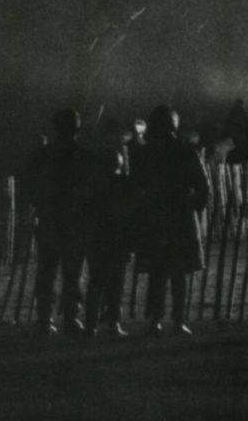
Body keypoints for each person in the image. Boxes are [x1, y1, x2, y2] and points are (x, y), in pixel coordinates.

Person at [134, 105, 211, 335]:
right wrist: (192, 207)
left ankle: (156, 320)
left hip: (158, 216)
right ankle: (177, 320)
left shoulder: (148, 153)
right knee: (178, 272)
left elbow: (137, 186)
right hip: (179, 216)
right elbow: (203, 187)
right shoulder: (185, 152)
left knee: (160, 272)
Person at [22, 108, 94, 335]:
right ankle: (70, 318)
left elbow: (29, 187)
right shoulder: (84, 156)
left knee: (48, 271)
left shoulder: (41, 155)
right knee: (72, 273)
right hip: (72, 221)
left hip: (51, 220)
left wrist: (42, 204)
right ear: (77, 128)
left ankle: (45, 319)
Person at [85, 115, 138, 336]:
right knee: (115, 283)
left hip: (98, 239)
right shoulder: (123, 185)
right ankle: (113, 323)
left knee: (96, 282)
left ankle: (90, 325)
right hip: (117, 239)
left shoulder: (93, 187)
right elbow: (130, 215)